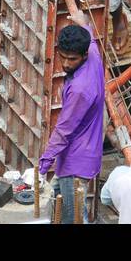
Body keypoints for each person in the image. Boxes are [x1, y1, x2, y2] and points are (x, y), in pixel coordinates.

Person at [39, 21, 105, 224]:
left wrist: (43, 166)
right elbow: (87, 27)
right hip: (83, 154)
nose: (66, 64)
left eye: (72, 59)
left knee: (73, 218)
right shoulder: (93, 51)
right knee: (62, 207)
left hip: (76, 162)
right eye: (63, 57)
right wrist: (78, 15)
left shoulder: (79, 89)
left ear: (84, 55)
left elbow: (63, 130)